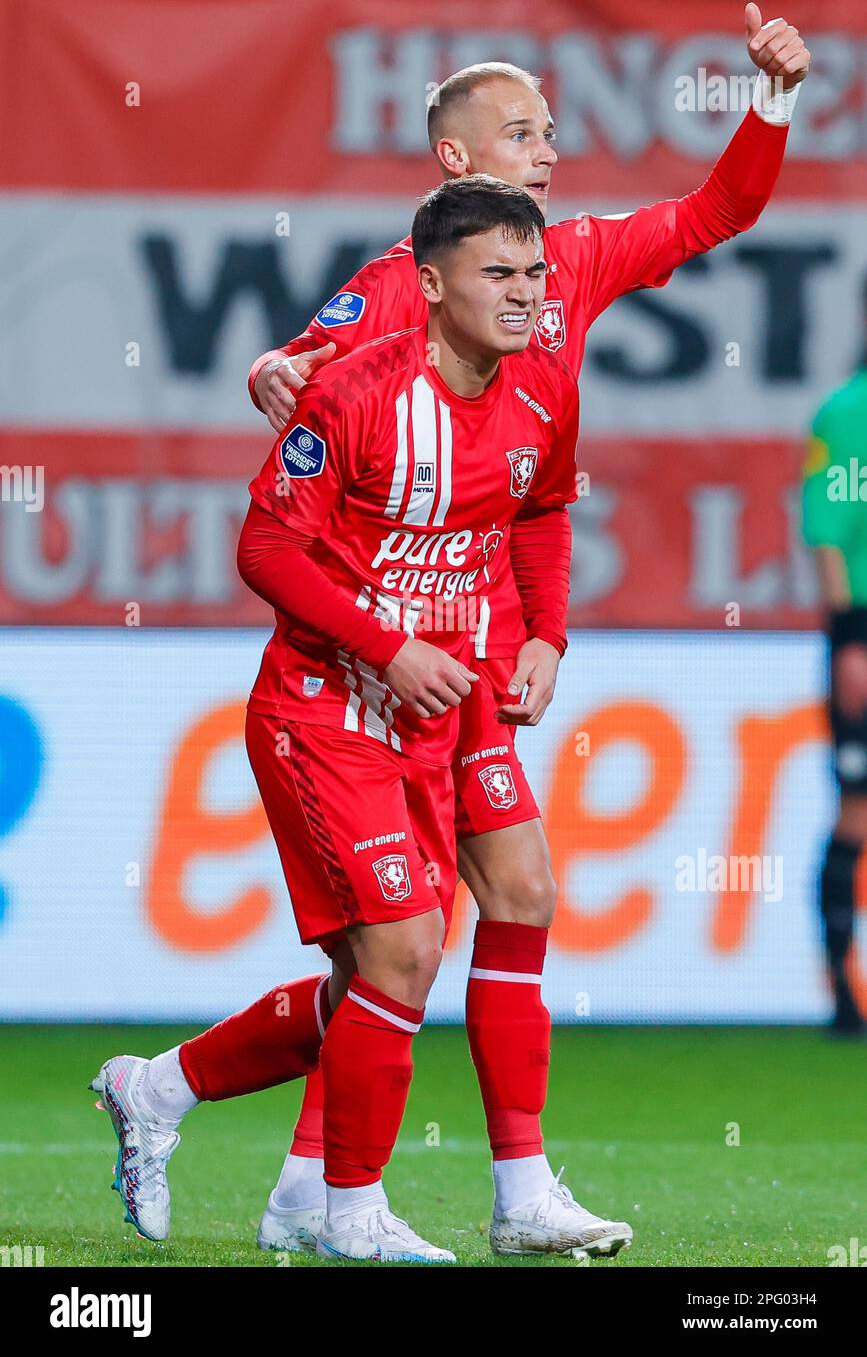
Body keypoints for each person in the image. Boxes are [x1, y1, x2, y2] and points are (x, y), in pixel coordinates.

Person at [92, 2, 811, 1259]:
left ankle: (485, 1187)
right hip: (356, 680)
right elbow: (304, 388)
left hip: (462, 676)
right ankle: (278, 1164)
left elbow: (707, 227)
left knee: (503, 900)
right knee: (396, 955)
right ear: (455, 162)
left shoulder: (567, 270)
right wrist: (283, 363)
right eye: (521, 130)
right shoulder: (392, 301)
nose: (548, 146)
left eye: (551, 126)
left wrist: (772, 101)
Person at [92, 174, 614, 1262]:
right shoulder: (358, 394)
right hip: (327, 712)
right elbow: (266, 549)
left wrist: (543, 636)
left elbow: (545, 513)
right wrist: (390, 645)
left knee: (458, 928)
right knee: (403, 953)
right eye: (497, 275)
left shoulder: (544, 393)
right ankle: (347, 1211)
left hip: (450, 709)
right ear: (430, 284)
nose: (524, 296)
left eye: (533, 275)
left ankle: (174, 1096)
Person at [802, 291, 867, 1036]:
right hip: (863, 632)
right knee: (855, 808)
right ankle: (840, 996)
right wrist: (849, 639)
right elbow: (825, 531)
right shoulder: (846, 413)